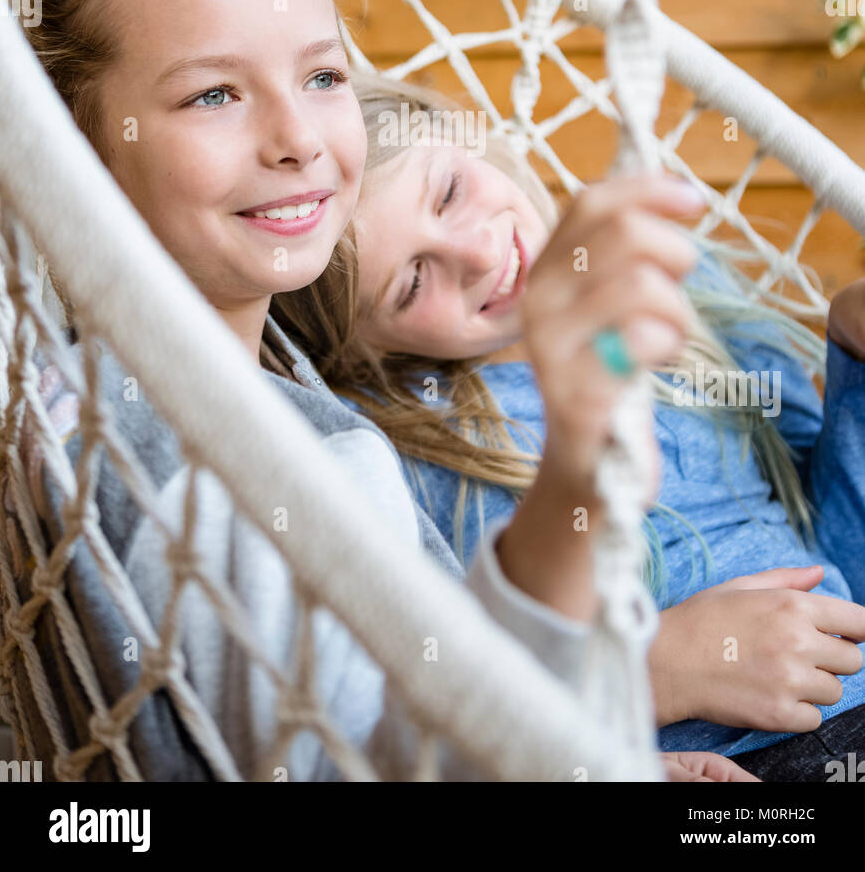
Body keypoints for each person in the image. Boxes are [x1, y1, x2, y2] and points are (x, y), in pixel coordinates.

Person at [12, 0, 750, 783]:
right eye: (212, 96)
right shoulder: (188, 461)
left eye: (322, 76)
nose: (298, 139)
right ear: (82, 149)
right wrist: (573, 467)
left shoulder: (243, 382)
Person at [274, 71, 865, 782]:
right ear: (360, 355)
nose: (481, 255)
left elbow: (840, 551)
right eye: (411, 282)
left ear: (473, 139)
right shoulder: (405, 451)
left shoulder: (670, 276)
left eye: (450, 191)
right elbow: (438, 714)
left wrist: (855, 356)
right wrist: (647, 676)